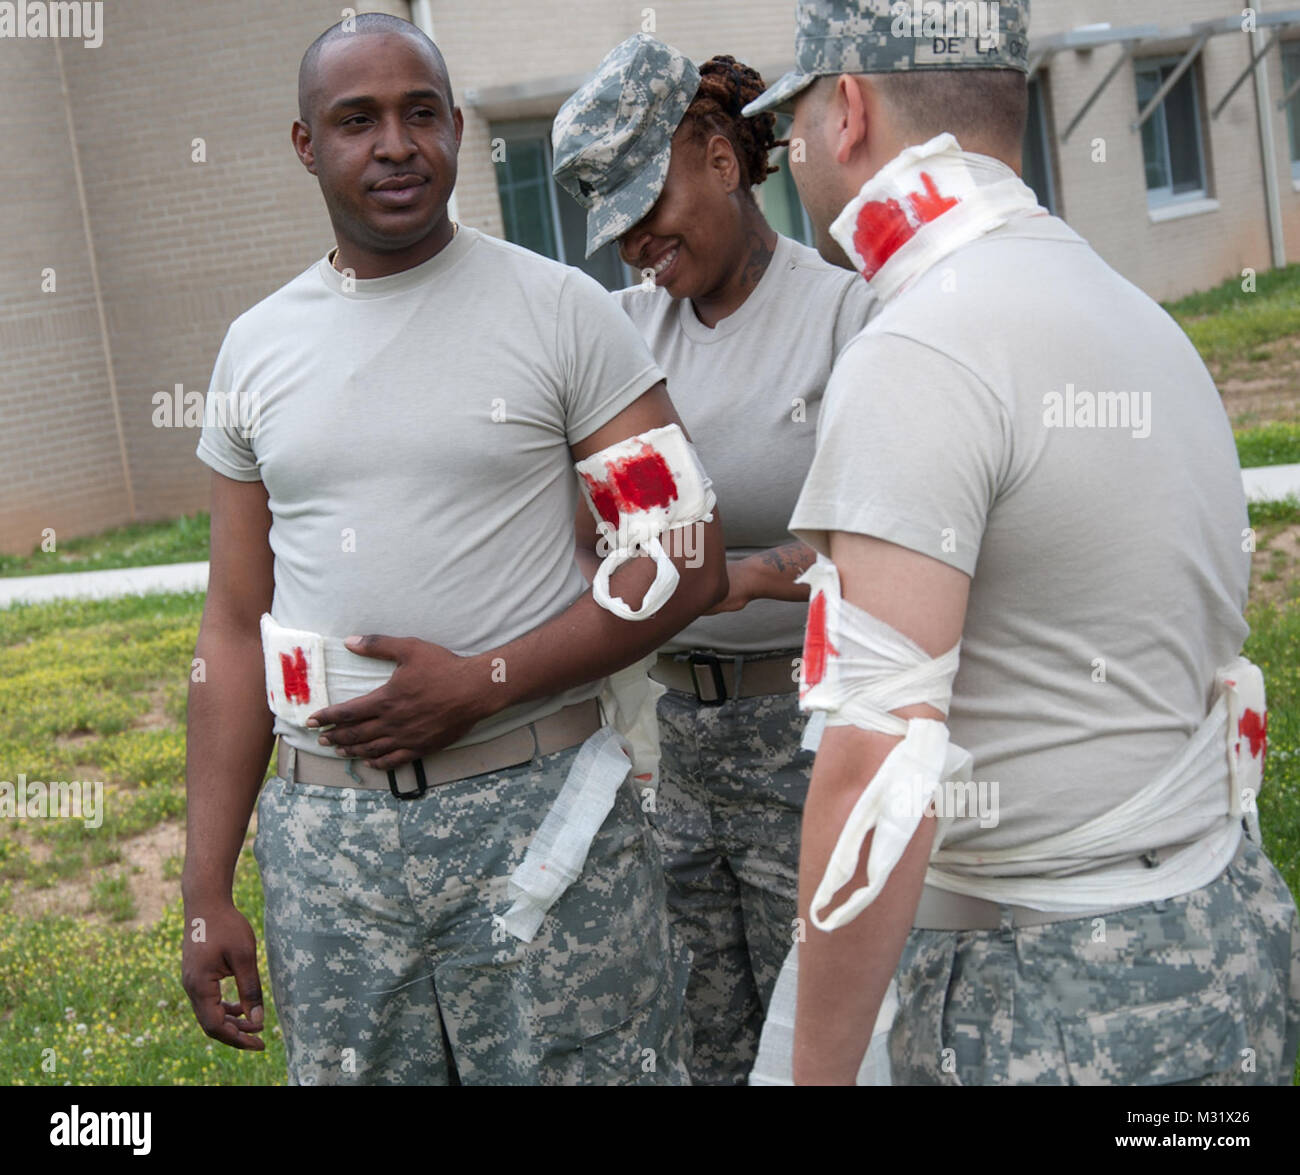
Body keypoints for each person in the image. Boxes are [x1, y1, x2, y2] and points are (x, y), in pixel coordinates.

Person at [745, 0, 1300, 1085]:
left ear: (846, 110)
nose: (791, 152)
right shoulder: (1130, 309)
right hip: (1216, 940)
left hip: (1048, 994)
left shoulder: (920, 346)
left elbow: (874, 770)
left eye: (794, 122)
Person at [180, 12, 729, 1086]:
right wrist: (205, 886)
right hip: (326, 850)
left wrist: (482, 683)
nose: (395, 144)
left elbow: (681, 552)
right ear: (307, 145)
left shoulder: (561, 313)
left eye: (420, 113)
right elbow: (232, 627)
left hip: (540, 825)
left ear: (457, 130)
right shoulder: (256, 347)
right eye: (357, 120)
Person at [551, 35, 875, 1084]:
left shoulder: (849, 317)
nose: (635, 245)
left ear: (722, 160)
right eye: (616, 228)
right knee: (700, 1046)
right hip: (668, 741)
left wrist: (726, 577)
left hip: (809, 736)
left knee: (821, 1041)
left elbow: (883, 538)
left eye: (649, 207)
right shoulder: (619, 335)